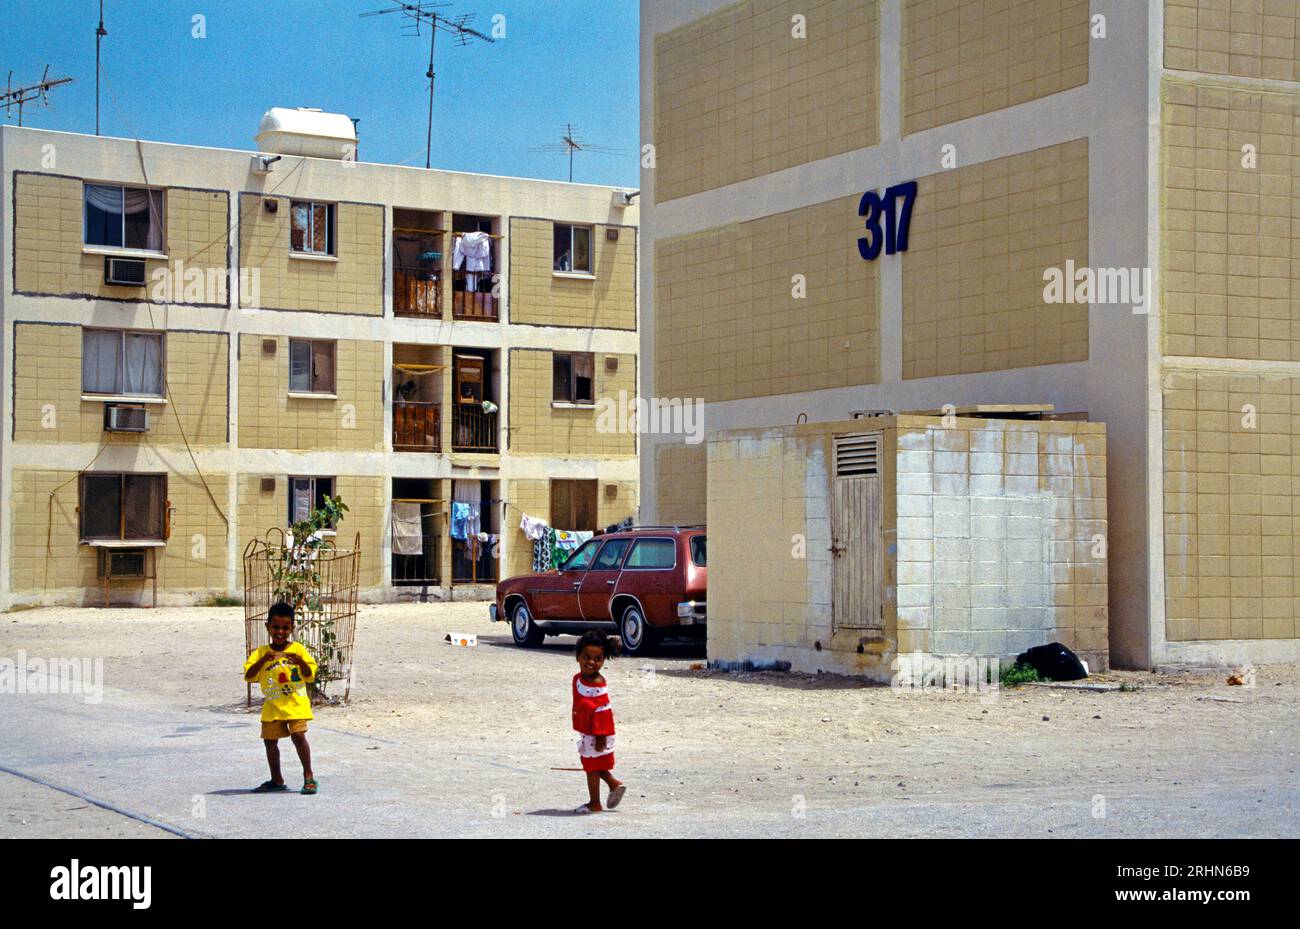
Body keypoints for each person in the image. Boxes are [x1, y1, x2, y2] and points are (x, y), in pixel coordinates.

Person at [243, 602, 319, 795]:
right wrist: (262, 660)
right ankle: (276, 779)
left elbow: (310, 674)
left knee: (298, 736)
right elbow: (249, 675)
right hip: (273, 706)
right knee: (270, 741)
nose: (280, 632)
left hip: (295, 703)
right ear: (268, 626)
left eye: (285, 628)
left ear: (291, 629)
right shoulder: (261, 652)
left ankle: (309, 776)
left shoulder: (298, 649)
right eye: (276, 627)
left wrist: (301, 662)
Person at [571, 631, 626, 813]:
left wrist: (601, 735)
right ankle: (613, 783)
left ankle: (595, 803)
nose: (591, 662)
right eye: (586, 657)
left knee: (591, 767)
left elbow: (603, 711)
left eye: (597, 658)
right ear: (578, 656)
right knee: (592, 764)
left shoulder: (598, 684)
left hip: (598, 733)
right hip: (587, 730)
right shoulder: (578, 679)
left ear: (603, 661)